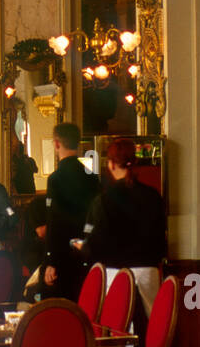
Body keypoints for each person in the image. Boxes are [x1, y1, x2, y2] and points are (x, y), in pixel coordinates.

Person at [80, 137, 168, 310]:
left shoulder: (103, 200)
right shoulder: (153, 196)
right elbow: (160, 236)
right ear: (135, 163)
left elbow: (94, 242)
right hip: (148, 274)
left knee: (116, 330)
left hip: (115, 274)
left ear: (111, 164)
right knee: (150, 330)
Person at [37, 123, 100, 300]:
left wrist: (51, 262)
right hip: (87, 253)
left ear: (57, 144)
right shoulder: (92, 177)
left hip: (63, 256)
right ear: (77, 143)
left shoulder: (56, 179)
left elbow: (55, 222)